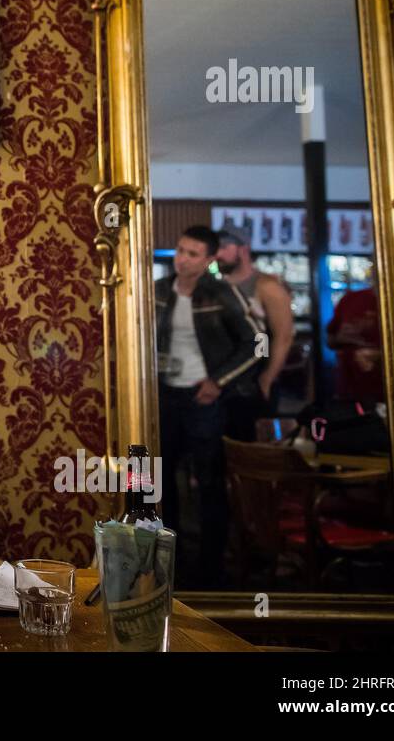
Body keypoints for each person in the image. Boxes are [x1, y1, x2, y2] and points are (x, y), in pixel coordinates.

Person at [155, 226, 262, 587]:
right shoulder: (157, 292)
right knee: (159, 481)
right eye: (180, 250)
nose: (182, 259)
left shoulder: (220, 293)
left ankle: (211, 568)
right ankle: (170, 564)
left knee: (209, 483)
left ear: (210, 259)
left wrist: (219, 381)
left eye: (193, 254)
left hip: (202, 398)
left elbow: (256, 344)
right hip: (165, 395)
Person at [215, 224, 295, 440]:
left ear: (243, 249)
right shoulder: (217, 288)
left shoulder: (266, 286)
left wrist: (267, 379)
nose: (218, 254)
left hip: (253, 382)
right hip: (222, 383)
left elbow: (284, 337)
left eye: (224, 247)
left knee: (252, 449)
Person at [327, 266, 385, 402]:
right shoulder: (351, 299)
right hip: (350, 388)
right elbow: (330, 339)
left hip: (388, 390)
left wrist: (378, 356)